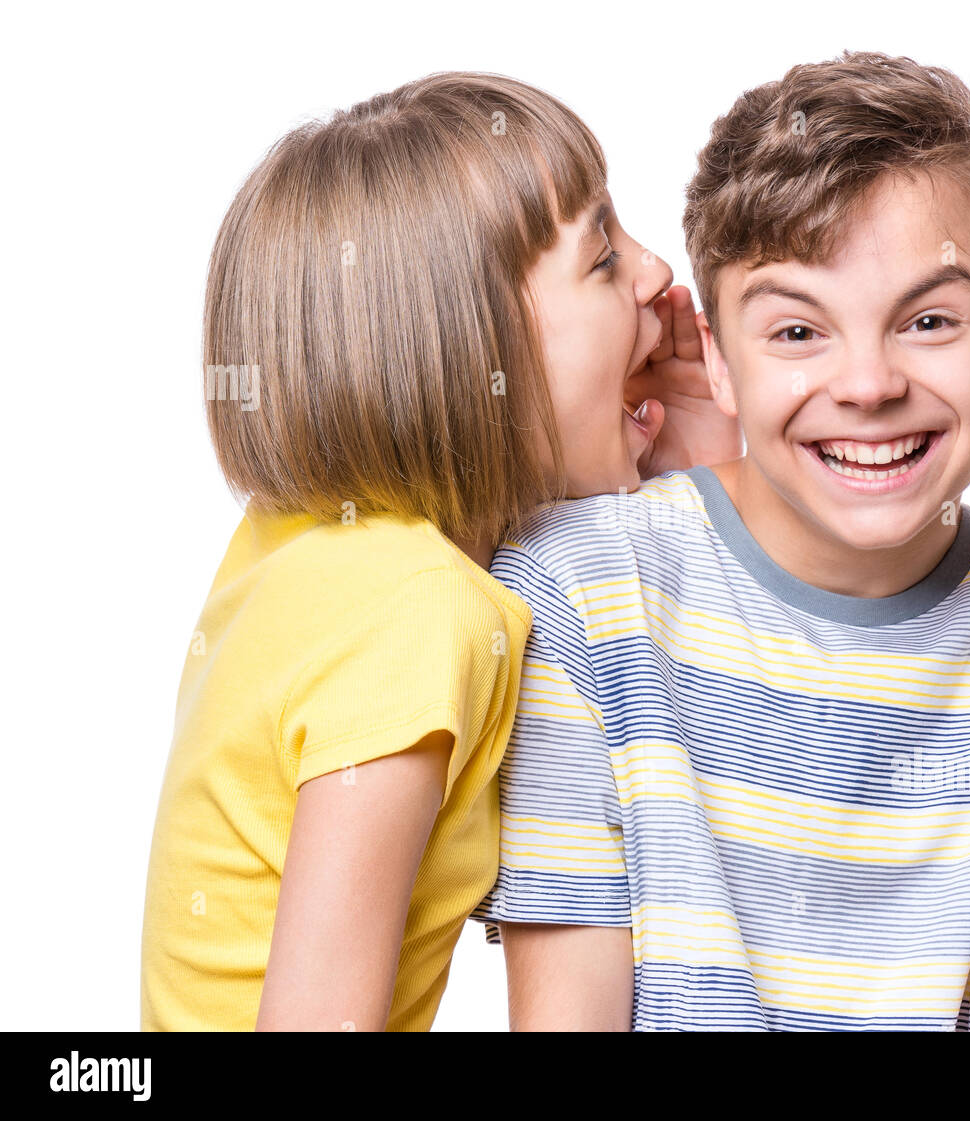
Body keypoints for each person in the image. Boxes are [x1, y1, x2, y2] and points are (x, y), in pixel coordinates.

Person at [471, 50, 970, 1030]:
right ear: (718, 357)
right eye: (798, 332)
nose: (869, 385)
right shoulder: (581, 591)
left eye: (929, 320)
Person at [139, 69, 739, 1031]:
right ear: (475, 354)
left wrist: (695, 478)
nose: (654, 271)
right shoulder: (418, 613)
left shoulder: (309, 549)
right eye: (600, 259)